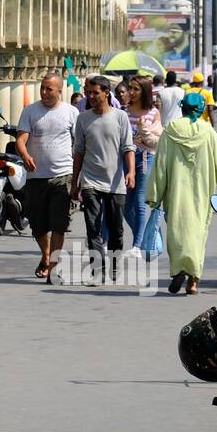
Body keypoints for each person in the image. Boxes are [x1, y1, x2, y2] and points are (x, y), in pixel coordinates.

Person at [145, 92, 217, 295]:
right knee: (197, 233)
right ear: (201, 109)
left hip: (176, 193)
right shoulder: (208, 131)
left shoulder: (170, 130)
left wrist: (155, 194)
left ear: (182, 108)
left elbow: (161, 165)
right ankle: (193, 280)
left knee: (177, 232)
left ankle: (178, 270)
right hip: (201, 193)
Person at [71, 74, 135, 283]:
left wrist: (131, 172)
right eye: (88, 93)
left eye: (95, 93)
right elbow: (79, 151)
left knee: (116, 230)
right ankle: (98, 269)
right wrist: (75, 181)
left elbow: (128, 147)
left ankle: (115, 266)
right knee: (93, 228)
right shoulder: (83, 118)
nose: (90, 96)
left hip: (115, 182)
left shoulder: (120, 117)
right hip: (90, 181)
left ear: (106, 93)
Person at [16, 72, 79, 279]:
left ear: (59, 90)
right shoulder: (30, 111)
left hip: (63, 175)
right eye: (42, 88)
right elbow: (20, 140)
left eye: (48, 89)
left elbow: (79, 144)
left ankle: (53, 266)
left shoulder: (71, 113)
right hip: (36, 177)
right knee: (38, 225)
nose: (44, 92)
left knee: (59, 223)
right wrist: (25, 155)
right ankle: (46, 255)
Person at [123, 76, 161, 256]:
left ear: (144, 91)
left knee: (139, 202)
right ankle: (145, 233)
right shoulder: (124, 111)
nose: (131, 92)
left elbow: (156, 142)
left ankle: (137, 246)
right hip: (125, 159)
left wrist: (142, 131)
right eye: (130, 88)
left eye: (136, 89)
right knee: (125, 206)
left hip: (146, 158)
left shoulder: (153, 113)